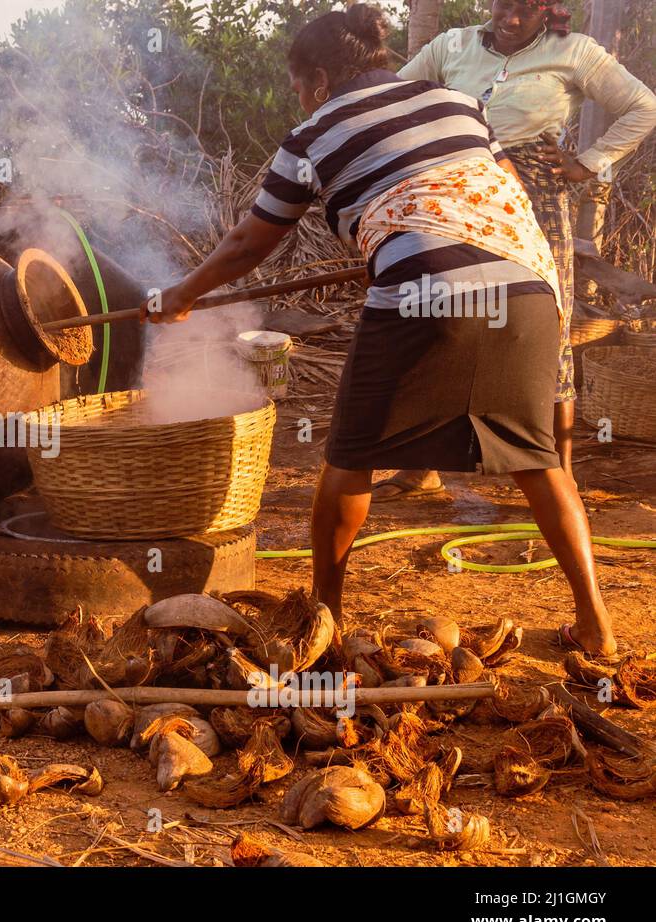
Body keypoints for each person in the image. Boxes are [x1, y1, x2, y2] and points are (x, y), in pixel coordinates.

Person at [141, 4, 616, 655]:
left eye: (297, 85)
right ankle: (596, 626)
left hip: (427, 282)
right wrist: (393, 243)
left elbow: (248, 240)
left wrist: (181, 296)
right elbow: (496, 192)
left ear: (315, 79)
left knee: (349, 456)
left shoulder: (310, 137)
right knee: (537, 461)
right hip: (529, 286)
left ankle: (324, 623)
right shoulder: (458, 103)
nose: (298, 97)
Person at [374, 0, 656, 501]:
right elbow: (396, 97)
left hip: (534, 197)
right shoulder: (451, 46)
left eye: (525, 11)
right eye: (503, 6)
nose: (510, 20)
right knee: (440, 320)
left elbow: (643, 107)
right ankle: (423, 465)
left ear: (547, 11)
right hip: (455, 195)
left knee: (547, 322)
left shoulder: (575, 51)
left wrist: (588, 163)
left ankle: (559, 475)